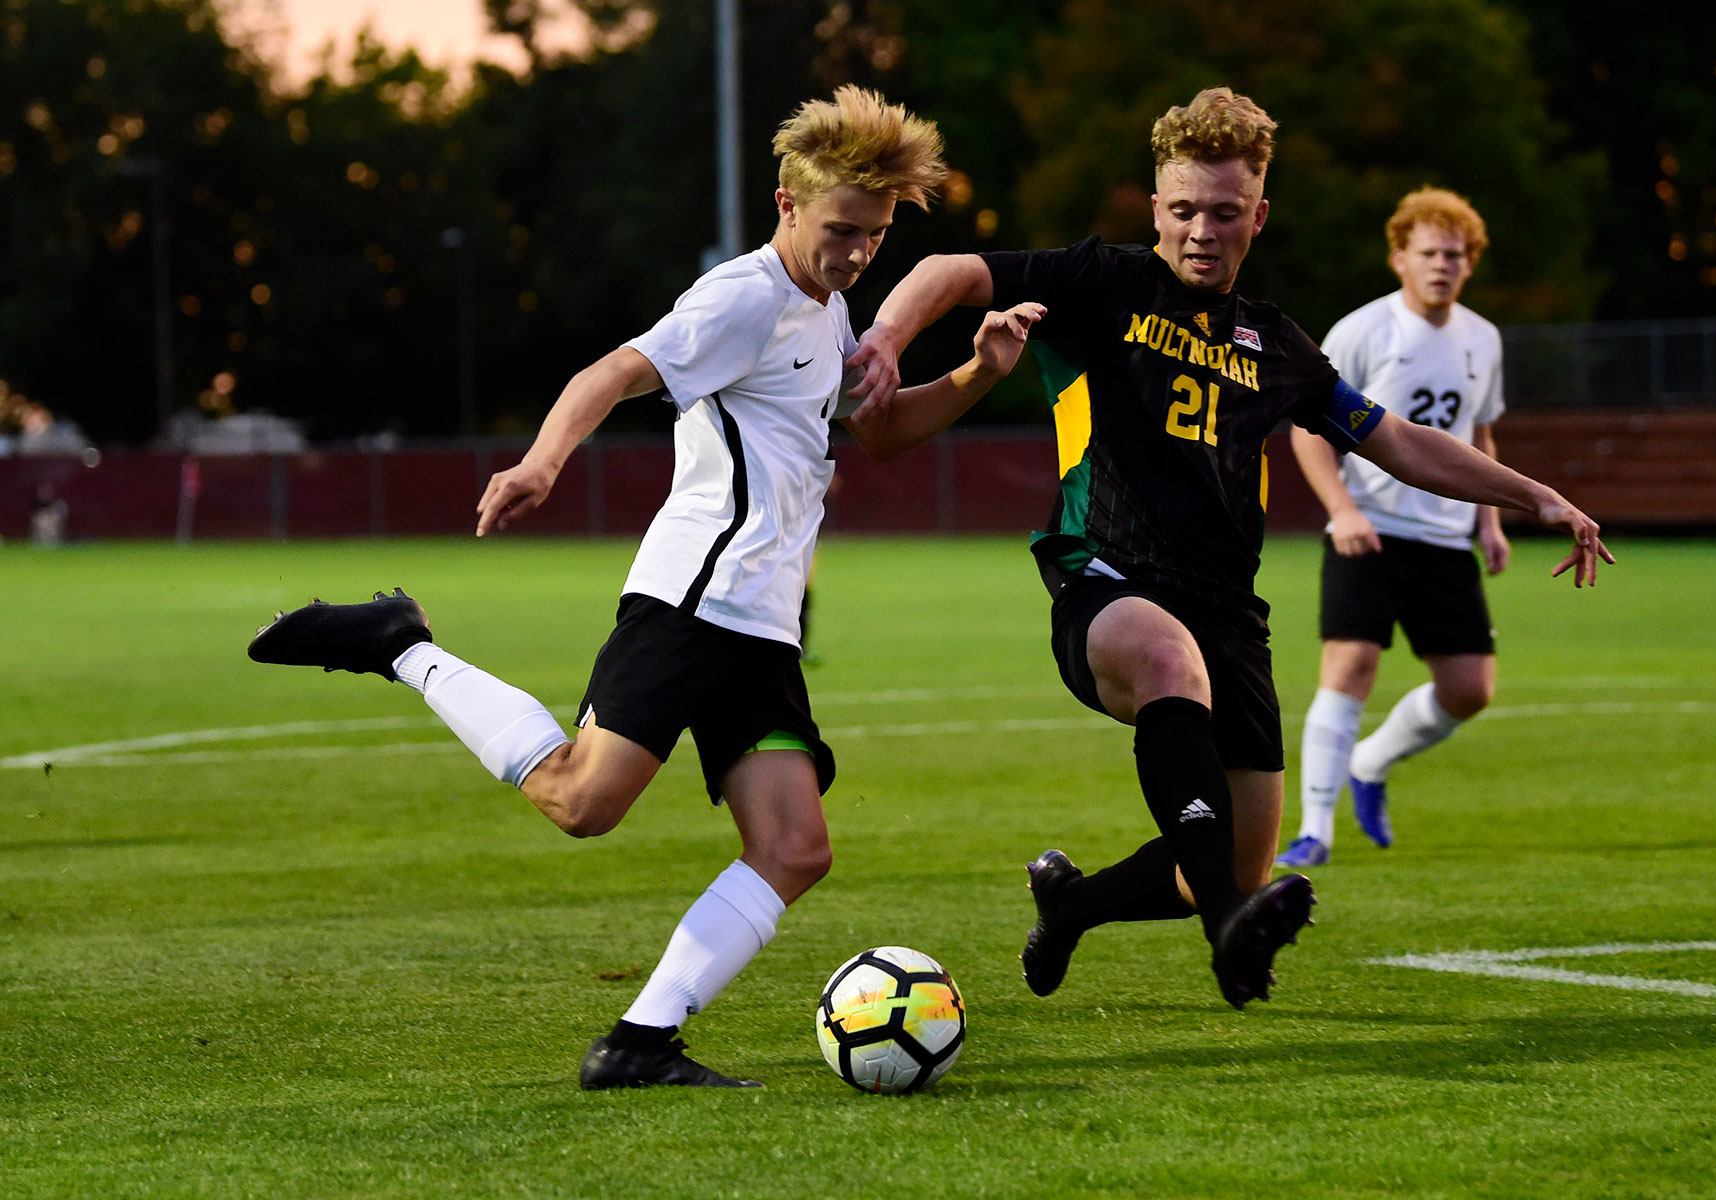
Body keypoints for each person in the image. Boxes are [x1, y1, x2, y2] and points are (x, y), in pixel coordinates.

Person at [249, 86, 1041, 1089]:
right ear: (785, 205)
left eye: (874, 236)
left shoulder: (829, 308)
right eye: (841, 230)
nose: (856, 253)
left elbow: (878, 432)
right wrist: (542, 462)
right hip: (691, 603)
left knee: (795, 848)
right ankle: (402, 643)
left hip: (761, 625)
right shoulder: (743, 297)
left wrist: (979, 372)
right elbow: (612, 373)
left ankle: (638, 1043)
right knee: (582, 802)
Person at [844, 87, 1611, 1010]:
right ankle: (1228, 938)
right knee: (1172, 675)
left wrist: (1533, 495)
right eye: (1182, 210)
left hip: (1227, 611)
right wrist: (887, 335)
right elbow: (957, 270)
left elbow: (1397, 440)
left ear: (1259, 214)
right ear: (1155, 206)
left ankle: (1077, 903)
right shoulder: (1104, 282)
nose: (1202, 230)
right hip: (1107, 577)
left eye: (1224, 211)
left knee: (1234, 861)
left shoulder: (1276, 343)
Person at [1278, 187, 1509, 868]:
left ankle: (1370, 763)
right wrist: (1342, 511)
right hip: (1370, 529)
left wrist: (1488, 523)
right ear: (1399, 258)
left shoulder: (1483, 338)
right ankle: (1315, 830)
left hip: (1444, 539)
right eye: (1430, 252)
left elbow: (1480, 437)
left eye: (1458, 255)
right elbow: (1310, 433)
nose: (1445, 264)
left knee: (1470, 690)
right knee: (1350, 667)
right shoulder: (1361, 330)